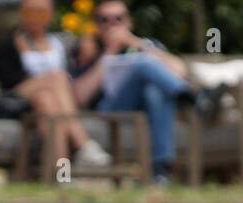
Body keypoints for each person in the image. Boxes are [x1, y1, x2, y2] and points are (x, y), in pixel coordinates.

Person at [71, 1, 211, 184]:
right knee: (143, 64)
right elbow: (80, 96)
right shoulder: (90, 50)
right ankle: (192, 98)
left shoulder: (147, 45)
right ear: (96, 25)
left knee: (154, 91)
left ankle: (160, 172)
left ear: (129, 22)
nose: (112, 25)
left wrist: (136, 44)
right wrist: (110, 53)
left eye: (118, 19)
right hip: (112, 109)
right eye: (104, 20)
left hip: (149, 108)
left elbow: (180, 71)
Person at [0, 0, 111, 168]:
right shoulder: (9, 42)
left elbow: (81, 67)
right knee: (57, 78)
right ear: (21, 14)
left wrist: (88, 44)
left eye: (40, 12)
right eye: (30, 12)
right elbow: (7, 81)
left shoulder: (61, 43)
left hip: (55, 102)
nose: (35, 18)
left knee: (47, 102)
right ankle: (83, 144)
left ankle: (62, 175)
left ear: (50, 15)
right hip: (18, 99)